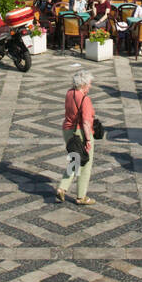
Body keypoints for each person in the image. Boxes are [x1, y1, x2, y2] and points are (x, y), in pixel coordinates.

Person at [57, 70, 98, 205]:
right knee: (85, 164)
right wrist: (87, 140)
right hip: (80, 132)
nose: (90, 86)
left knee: (75, 160)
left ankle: (62, 188)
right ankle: (81, 196)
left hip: (67, 131)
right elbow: (86, 123)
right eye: (89, 84)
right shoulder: (85, 100)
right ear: (84, 84)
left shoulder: (69, 93)